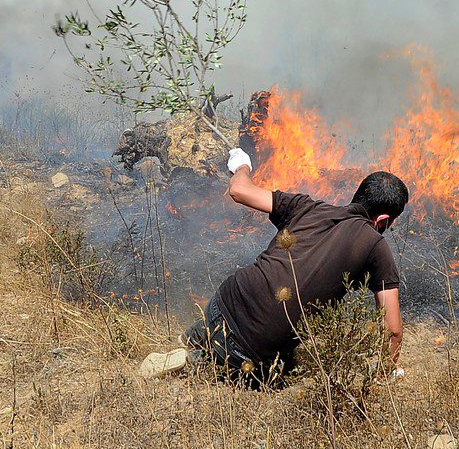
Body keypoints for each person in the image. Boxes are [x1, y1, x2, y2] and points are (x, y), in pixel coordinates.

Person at [141, 148, 407, 383]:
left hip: (226, 301)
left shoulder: (306, 206)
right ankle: (197, 362)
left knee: (222, 320)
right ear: (383, 220)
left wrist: (241, 164)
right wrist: (384, 374)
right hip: (254, 347)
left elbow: (239, 190)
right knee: (282, 370)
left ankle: (194, 337)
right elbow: (392, 329)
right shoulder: (376, 246)